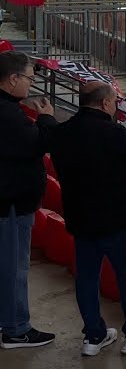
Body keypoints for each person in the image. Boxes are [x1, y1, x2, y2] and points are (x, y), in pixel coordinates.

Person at [46, 82, 126, 357]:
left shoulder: (63, 132)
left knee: (87, 279)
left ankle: (94, 336)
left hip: (81, 219)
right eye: (114, 101)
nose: (115, 105)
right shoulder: (112, 132)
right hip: (117, 220)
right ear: (105, 103)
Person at [0, 51, 58, 350]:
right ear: (12, 80)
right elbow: (39, 144)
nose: (30, 84)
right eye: (28, 79)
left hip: (10, 200)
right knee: (14, 268)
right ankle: (15, 329)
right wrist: (47, 119)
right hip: (11, 203)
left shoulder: (8, 108)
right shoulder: (8, 115)